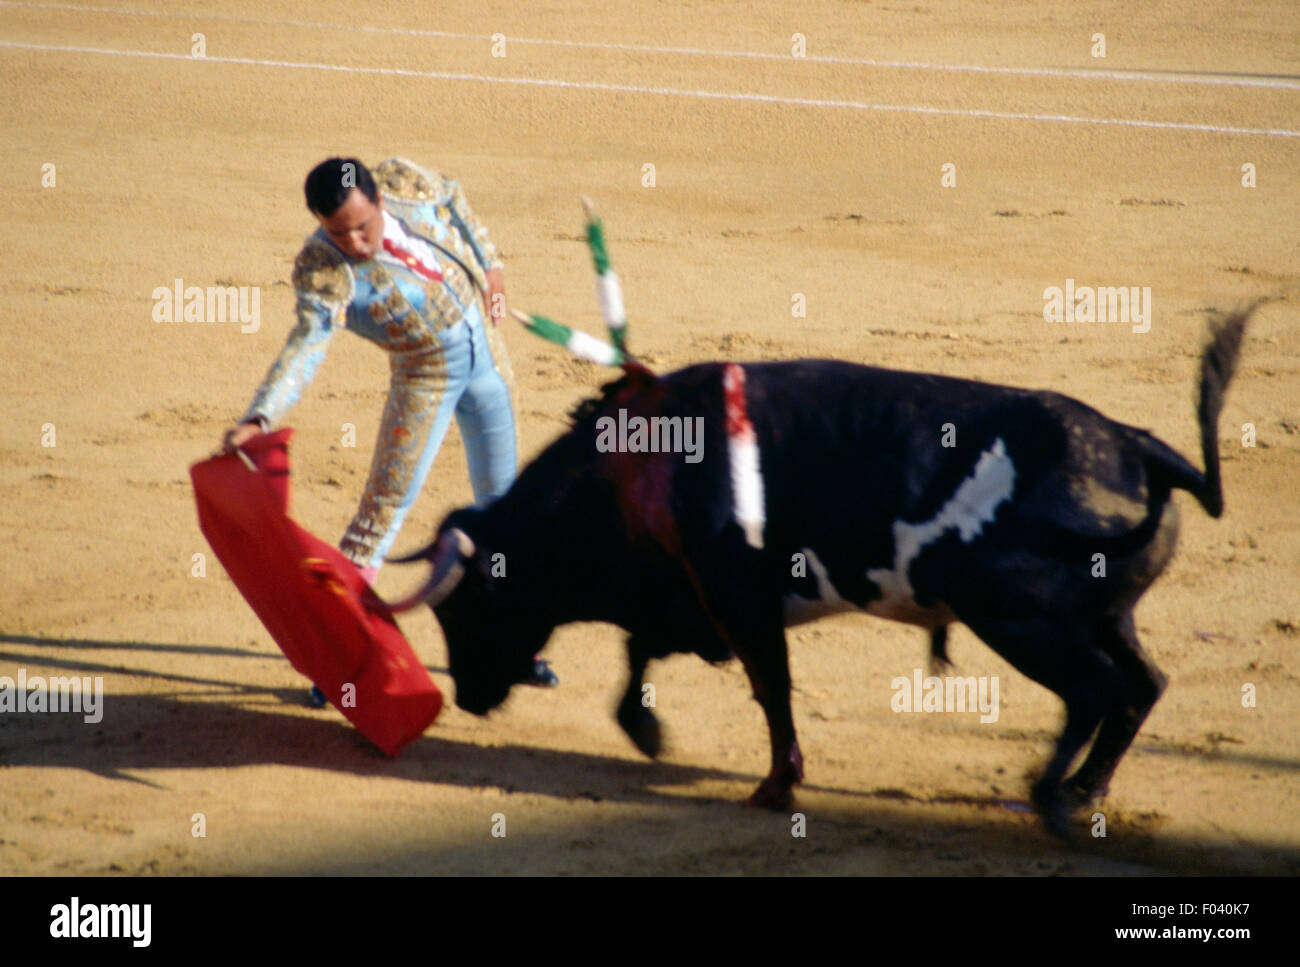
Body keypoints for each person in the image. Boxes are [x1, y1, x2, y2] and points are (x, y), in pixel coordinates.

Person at [219, 157, 558, 696]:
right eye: (339, 232)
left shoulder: (405, 180)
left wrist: (491, 266)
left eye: (362, 226)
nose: (354, 242)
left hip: (489, 364)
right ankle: (337, 655)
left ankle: (519, 643)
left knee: (505, 508)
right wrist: (260, 415)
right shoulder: (322, 269)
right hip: (425, 378)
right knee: (378, 519)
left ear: (380, 200)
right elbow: (307, 343)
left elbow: (455, 197)